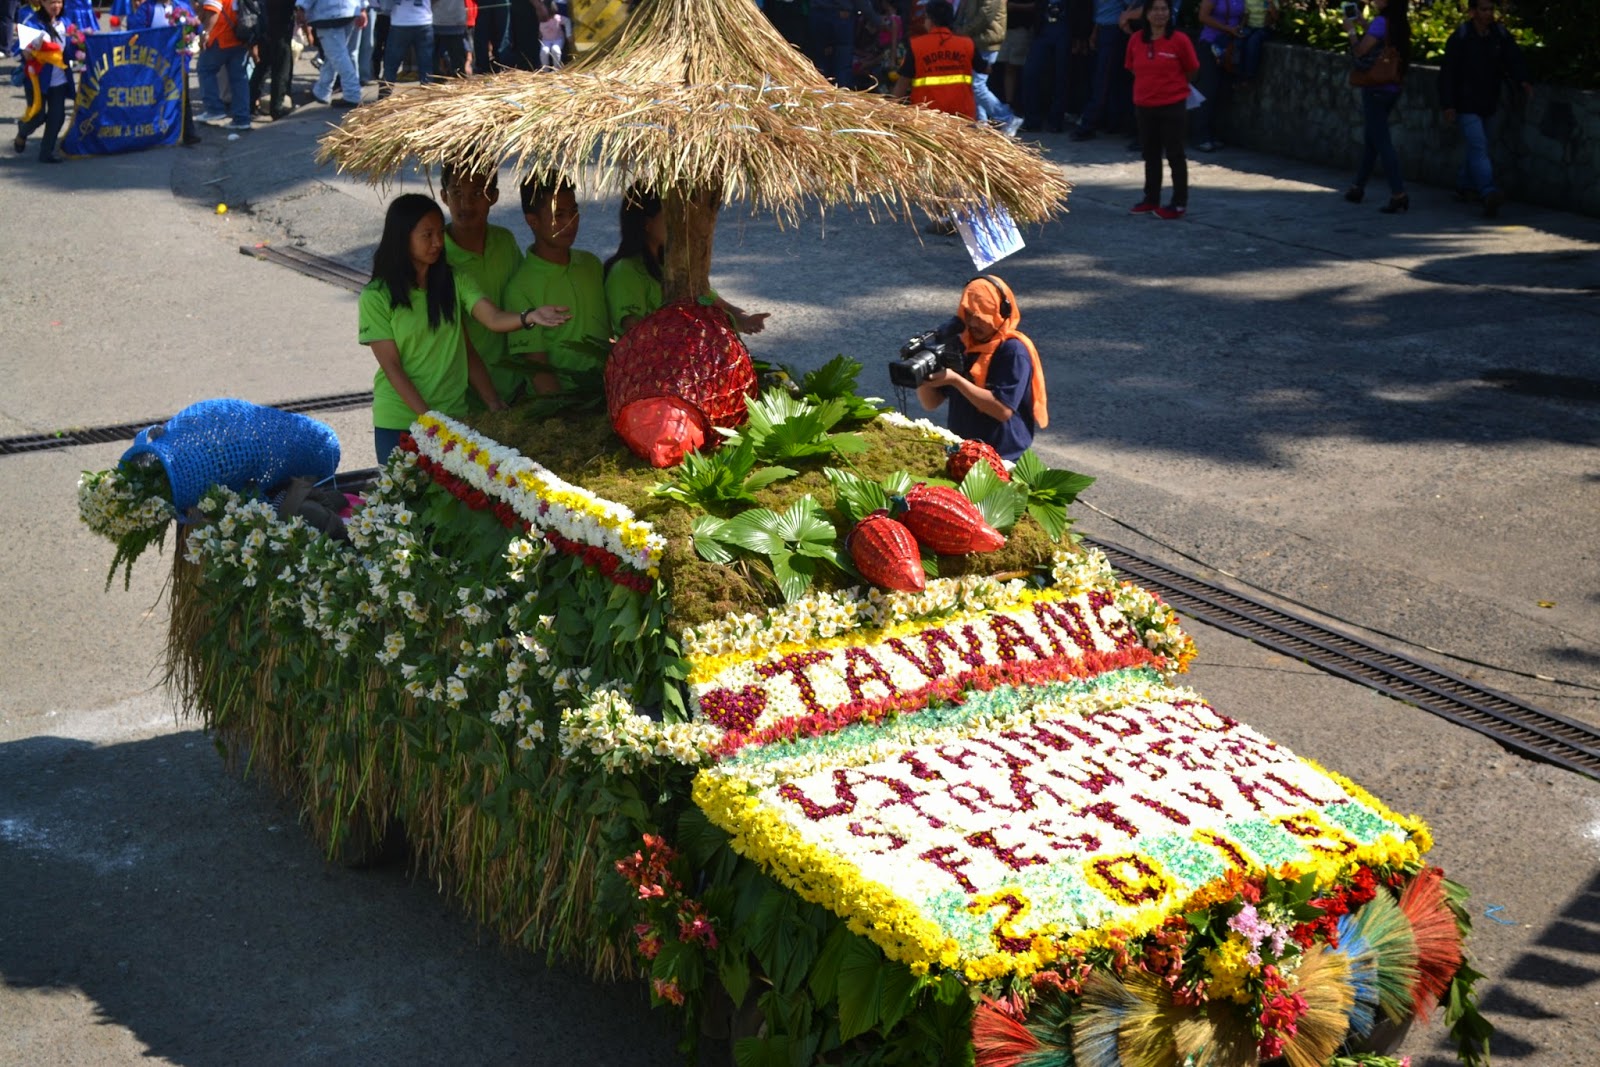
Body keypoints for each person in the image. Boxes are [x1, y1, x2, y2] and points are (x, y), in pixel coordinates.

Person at [360, 193, 570, 462]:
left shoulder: (453, 280)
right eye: (427, 235)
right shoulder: (376, 297)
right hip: (400, 422)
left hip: (454, 418)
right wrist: (429, 421)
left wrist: (529, 316)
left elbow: (488, 323)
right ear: (403, 238)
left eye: (439, 232)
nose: (438, 242)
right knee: (404, 503)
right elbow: (392, 367)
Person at [602, 184, 770, 338]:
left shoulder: (670, 265)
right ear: (646, 223)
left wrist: (743, 319)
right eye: (671, 215)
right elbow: (634, 329)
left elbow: (707, 298)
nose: (680, 222)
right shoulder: (625, 271)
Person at [916, 276, 1048, 462]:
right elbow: (931, 403)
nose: (973, 323)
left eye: (982, 317)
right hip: (962, 453)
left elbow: (1002, 410)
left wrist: (956, 380)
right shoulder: (963, 345)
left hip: (1004, 459)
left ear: (1002, 313)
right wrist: (922, 374)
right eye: (968, 314)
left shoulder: (1013, 351)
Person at [502, 177, 610, 396]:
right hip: (562, 408)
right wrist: (565, 418)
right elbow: (538, 369)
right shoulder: (520, 288)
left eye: (574, 211)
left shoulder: (591, 264)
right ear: (532, 221)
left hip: (609, 395)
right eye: (558, 215)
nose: (571, 222)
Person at [440, 163, 526, 404]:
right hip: (459, 397)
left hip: (513, 387)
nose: (466, 204)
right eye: (457, 193)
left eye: (477, 193)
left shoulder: (505, 241)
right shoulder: (436, 257)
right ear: (444, 197)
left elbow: (522, 298)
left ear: (494, 197)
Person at [1438, 0, 1531, 219]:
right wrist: (1448, 104)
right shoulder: (1460, 37)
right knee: (1479, 147)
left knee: (1478, 146)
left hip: (1489, 101)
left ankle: (1464, 184)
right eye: (1483, 9)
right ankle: (1488, 192)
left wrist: (1524, 80)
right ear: (1472, 12)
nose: (1488, 14)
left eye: (1490, 9)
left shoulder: (1498, 34)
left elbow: (1513, 58)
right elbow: (1447, 73)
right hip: (1466, 103)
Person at [1125, 0, 1196, 219]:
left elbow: (1192, 68)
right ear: (1146, 14)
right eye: (1154, 9)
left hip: (1173, 106)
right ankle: (1151, 199)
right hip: (1145, 106)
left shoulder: (1179, 40)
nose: (1159, 13)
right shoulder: (1136, 40)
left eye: (1164, 9)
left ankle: (1179, 203)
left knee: (1175, 154)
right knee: (1150, 154)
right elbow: (1131, 67)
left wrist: (1171, 88)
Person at [1342, 0, 1410, 214]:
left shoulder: (1381, 22)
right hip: (1392, 86)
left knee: (1381, 142)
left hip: (1375, 87)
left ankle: (1398, 193)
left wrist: (1351, 31)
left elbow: (1361, 51)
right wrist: (1364, 24)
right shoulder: (1398, 22)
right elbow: (1384, 42)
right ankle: (1357, 187)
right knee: (1373, 138)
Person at [129, 0, 204, 144]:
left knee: (183, 97)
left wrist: (194, 26)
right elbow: (135, 31)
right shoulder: (147, 8)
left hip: (178, 62)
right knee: (154, 96)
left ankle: (188, 132)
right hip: (153, 64)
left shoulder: (182, 6)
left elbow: (197, 28)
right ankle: (151, 133)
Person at [12, 0, 78, 163]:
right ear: (42, 3)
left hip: (59, 78)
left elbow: (72, 48)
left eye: (59, 2)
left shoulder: (66, 22)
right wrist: (33, 48)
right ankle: (23, 132)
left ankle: (46, 152)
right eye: (51, 3)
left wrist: (80, 48)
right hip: (37, 78)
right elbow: (23, 53)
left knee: (58, 116)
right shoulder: (32, 22)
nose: (56, 6)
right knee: (38, 115)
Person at [1069, 0, 1138, 142]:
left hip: (1115, 30)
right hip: (1104, 29)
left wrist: (1125, 18)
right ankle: (1113, 123)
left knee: (1103, 79)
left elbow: (1133, 3)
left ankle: (1087, 125)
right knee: (1108, 79)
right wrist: (1096, 30)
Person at [953, 0, 1024, 134]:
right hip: (977, 40)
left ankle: (1007, 117)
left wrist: (962, 31)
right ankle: (981, 123)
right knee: (975, 84)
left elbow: (985, 15)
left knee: (977, 85)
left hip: (986, 41)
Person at [1190, 0, 1244, 151]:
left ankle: (1214, 135)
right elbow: (1203, 16)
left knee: (1223, 91)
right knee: (1207, 90)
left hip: (1229, 47)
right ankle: (1200, 136)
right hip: (1210, 44)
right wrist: (1227, 28)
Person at [195, 0, 254, 131]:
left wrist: (205, 33)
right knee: (239, 79)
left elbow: (213, 10)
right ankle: (242, 119)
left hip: (220, 37)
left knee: (205, 69)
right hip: (239, 36)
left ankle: (214, 109)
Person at [298, 0, 364, 107]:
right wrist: (363, 7)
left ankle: (352, 95)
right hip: (351, 9)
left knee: (337, 56)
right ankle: (322, 91)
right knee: (334, 55)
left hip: (329, 13)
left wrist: (301, 7)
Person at [380, 0, 431, 93]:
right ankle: (428, 94)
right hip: (423, 19)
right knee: (426, 63)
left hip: (400, 21)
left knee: (391, 63)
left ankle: (385, 93)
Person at [432, 0, 467, 76]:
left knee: (434, 59)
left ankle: (436, 76)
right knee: (458, 59)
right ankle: (458, 77)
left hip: (438, 21)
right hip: (456, 20)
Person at [535, 0, 562, 69]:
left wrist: (569, 34)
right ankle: (545, 70)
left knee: (555, 50)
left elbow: (566, 22)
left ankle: (557, 69)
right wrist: (540, 34)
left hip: (557, 39)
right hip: (546, 40)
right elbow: (541, 29)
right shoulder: (541, 20)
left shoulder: (557, 18)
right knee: (544, 51)